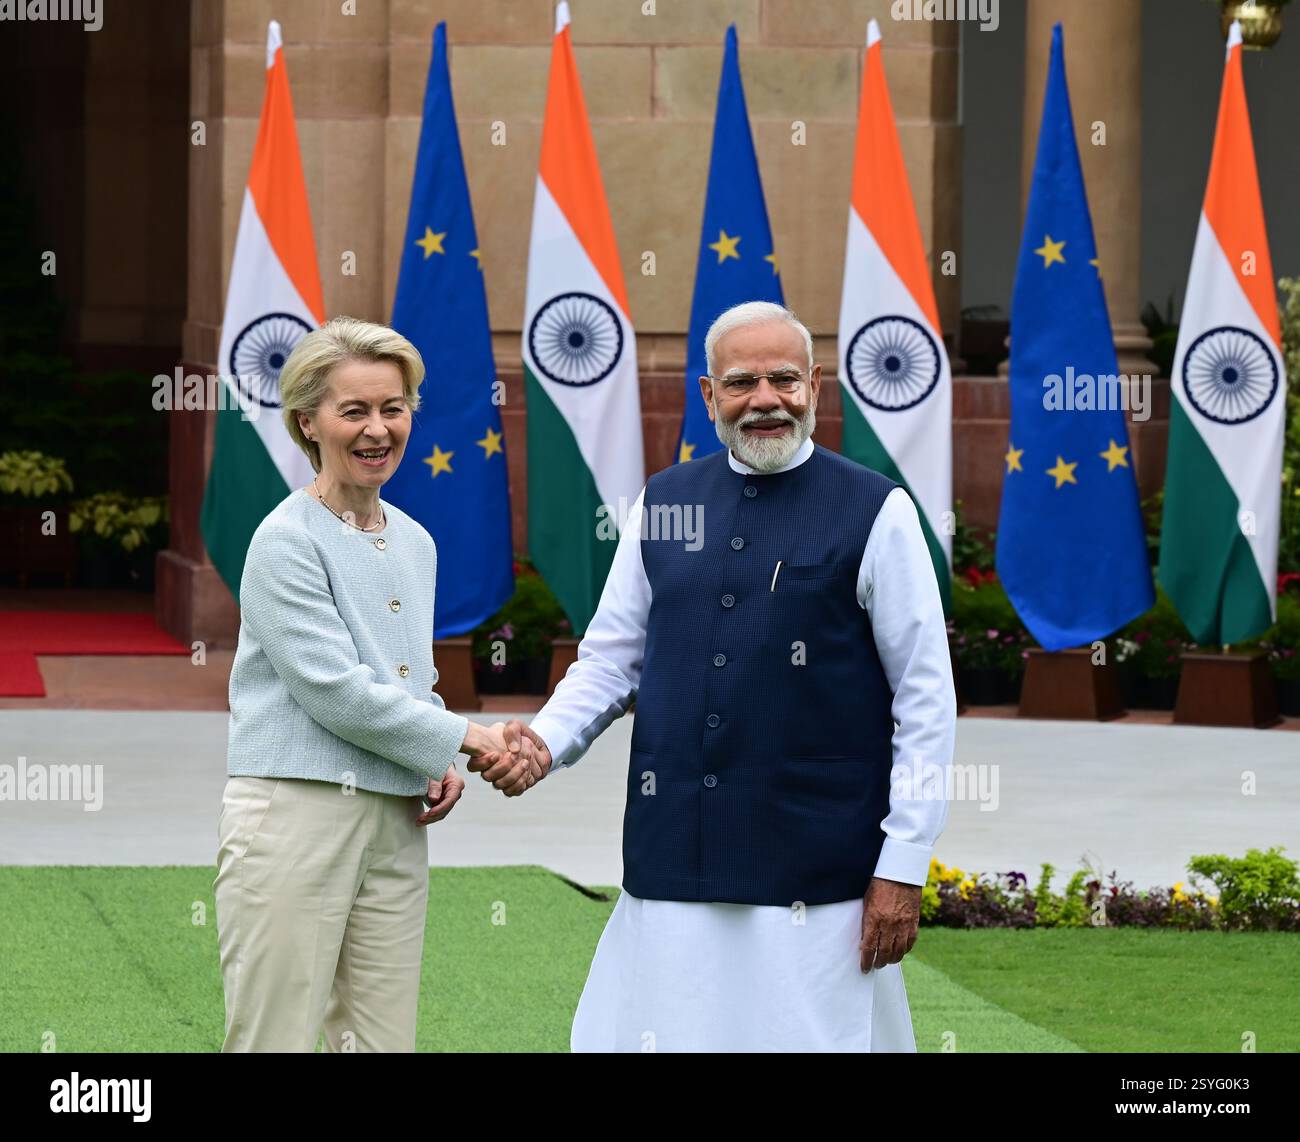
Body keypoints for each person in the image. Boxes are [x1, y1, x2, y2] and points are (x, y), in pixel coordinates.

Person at [471, 300, 955, 1052]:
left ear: (817, 385)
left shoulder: (877, 510)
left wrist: (905, 863)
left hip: (817, 862)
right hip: (675, 850)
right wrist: (545, 741)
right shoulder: (664, 502)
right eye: (741, 383)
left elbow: (925, 700)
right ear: (708, 396)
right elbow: (610, 658)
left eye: (784, 379)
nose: (765, 399)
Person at [214, 316, 539, 1052]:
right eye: (352, 410)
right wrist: (465, 735)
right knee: (276, 1039)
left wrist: (432, 759)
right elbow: (336, 690)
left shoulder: (416, 540)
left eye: (392, 408)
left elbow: (403, 681)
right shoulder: (284, 540)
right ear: (309, 422)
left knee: (381, 1042)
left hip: (397, 822)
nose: (377, 429)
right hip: (293, 817)